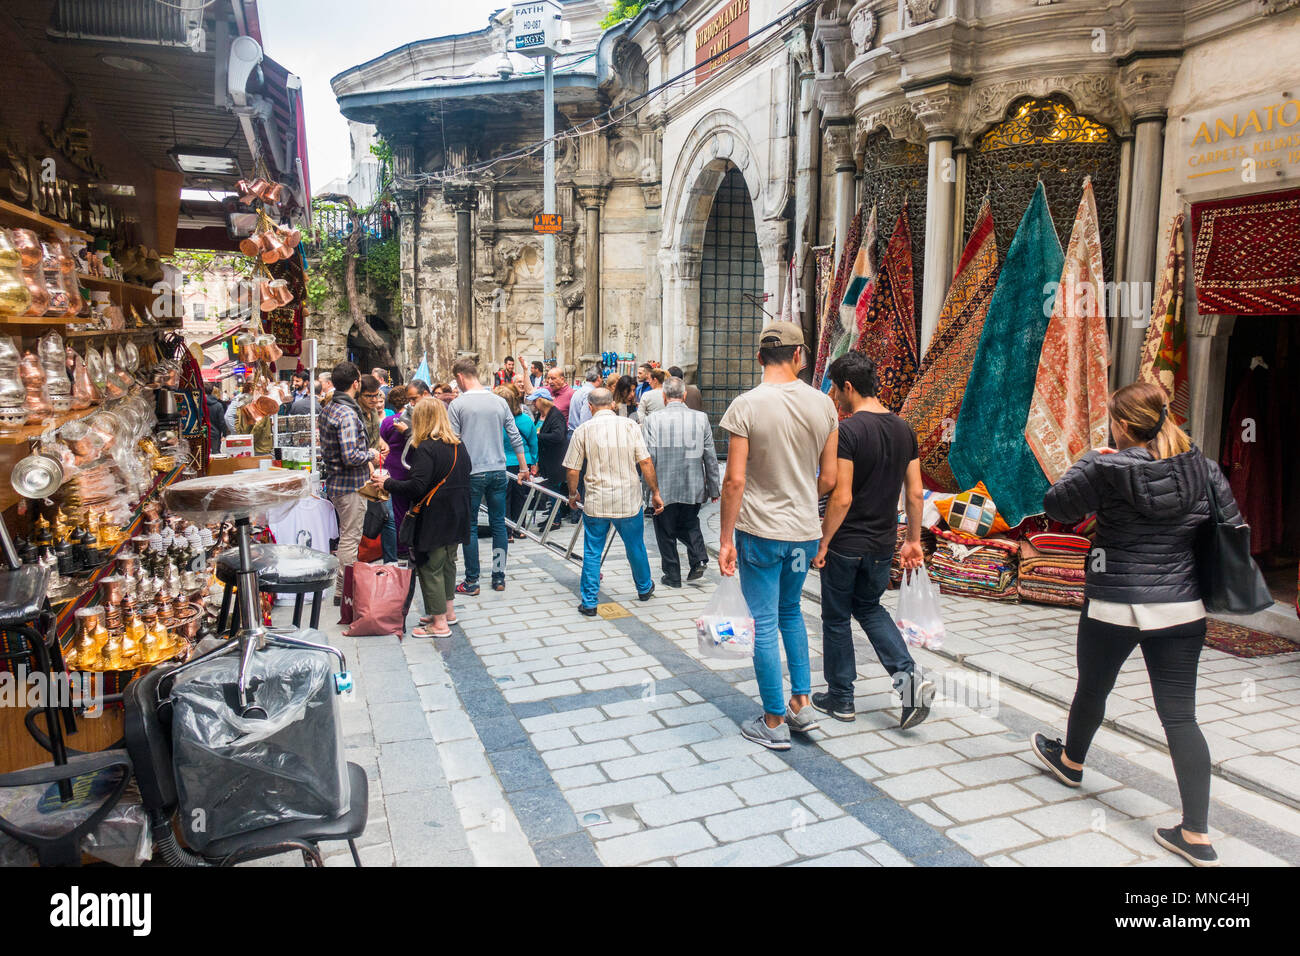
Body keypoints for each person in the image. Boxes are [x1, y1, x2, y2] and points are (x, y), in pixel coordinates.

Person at [1030, 382, 1241, 868]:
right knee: (1181, 717)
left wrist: (1089, 459)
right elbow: (1230, 525)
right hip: (1181, 608)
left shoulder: (1105, 467)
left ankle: (1071, 762)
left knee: (1093, 689)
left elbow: (1056, 505)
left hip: (1114, 603)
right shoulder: (1203, 468)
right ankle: (1196, 834)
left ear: (1123, 426)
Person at [718, 320, 838, 751]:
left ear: (759, 358)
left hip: (760, 530)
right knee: (791, 614)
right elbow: (831, 477)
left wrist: (726, 537)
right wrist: (801, 491)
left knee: (764, 620)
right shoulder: (824, 405)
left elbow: (734, 480)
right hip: (804, 531)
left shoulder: (745, 406)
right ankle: (802, 704)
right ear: (799, 356)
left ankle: (772, 720)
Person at [813, 352, 935, 728]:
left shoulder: (847, 432)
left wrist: (823, 542)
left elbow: (842, 496)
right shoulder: (904, 429)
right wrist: (912, 540)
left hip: (847, 543)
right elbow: (915, 494)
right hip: (883, 544)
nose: (835, 395)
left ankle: (841, 699)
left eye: (835, 388)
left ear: (848, 386)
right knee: (869, 608)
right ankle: (910, 684)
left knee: (836, 619)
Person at [376, 397, 472, 638]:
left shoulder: (427, 447)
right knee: (448, 564)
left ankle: (439, 624)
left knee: (431, 567)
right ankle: (446, 611)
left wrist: (387, 483)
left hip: (435, 516)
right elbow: (467, 471)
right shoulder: (457, 443)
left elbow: (417, 486)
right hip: (457, 512)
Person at [564, 387, 665, 614]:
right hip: (627, 500)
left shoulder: (583, 430)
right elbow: (646, 462)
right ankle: (644, 587)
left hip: (597, 501)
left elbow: (572, 469)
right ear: (612, 404)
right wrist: (655, 492)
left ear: (590, 407)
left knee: (592, 551)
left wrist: (573, 493)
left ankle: (589, 602)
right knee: (635, 546)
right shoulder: (630, 426)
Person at [448, 358, 527, 594]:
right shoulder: (499, 401)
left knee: (470, 527)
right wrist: (523, 468)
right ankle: (499, 576)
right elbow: (515, 436)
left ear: (461, 377)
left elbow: (453, 442)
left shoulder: (458, 404)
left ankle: (472, 580)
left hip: (471, 473)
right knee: (499, 525)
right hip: (498, 471)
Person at [644, 376, 718, 588]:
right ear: (684, 395)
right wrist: (714, 488)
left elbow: (649, 458)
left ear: (664, 397)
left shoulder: (652, 420)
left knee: (665, 530)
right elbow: (710, 456)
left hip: (663, 486)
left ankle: (672, 575)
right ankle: (698, 558)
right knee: (690, 522)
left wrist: (648, 492)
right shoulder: (701, 418)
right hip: (693, 485)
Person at [320, 361, 384, 597]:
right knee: (350, 538)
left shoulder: (330, 408)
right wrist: (371, 454)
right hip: (348, 486)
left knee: (348, 535)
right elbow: (350, 455)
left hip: (340, 483)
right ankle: (344, 590)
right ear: (356, 383)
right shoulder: (346, 413)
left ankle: (345, 587)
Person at [359, 375, 396, 563]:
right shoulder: (355, 414)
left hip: (376, 470)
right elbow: (357, 448)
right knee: (366, 521)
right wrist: (371, 466)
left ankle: (391, 562)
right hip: (363, 473)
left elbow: (375, 437)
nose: (374, 400)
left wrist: (382, 443)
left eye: (376, 396)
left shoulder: (373, 412)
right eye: (369, 396)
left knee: (387, 516)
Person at [497, 385, 538, 539]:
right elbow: (533, 442)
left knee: (504, 497)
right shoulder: (525, 420)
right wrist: (534, 461)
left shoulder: (495, 421)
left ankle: (507, 531)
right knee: (520, 496)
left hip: (502, 462)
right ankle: (519, 528)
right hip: (523, 463)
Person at [381, 388, 414, 557]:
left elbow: (382, 443)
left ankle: (401, 546)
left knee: (398, 510)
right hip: (413, 466)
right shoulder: (415, 419)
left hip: (394, 467)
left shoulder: (388, 421)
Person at [529, 387, 570, 525]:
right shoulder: (539, 415)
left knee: (554, 490)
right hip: (545, 459)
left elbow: (558, 436)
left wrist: (538, 436)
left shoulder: (556, 415)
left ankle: (555, 520)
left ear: (541, 401)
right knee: (550, 490)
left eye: (535, 401)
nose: (533, 404)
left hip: (555, 459)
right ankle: (552, 517)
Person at [568, 368, 601, 433]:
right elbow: (586, 421)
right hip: (580, 434)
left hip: (573, 432)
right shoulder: (590, 392)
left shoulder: (581, 390)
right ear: (599, 378)